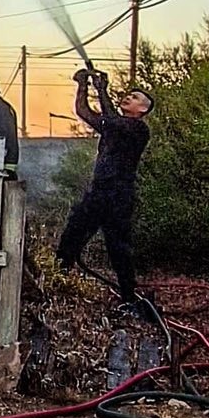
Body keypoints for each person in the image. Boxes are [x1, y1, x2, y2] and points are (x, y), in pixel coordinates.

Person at [57, 68, 153, 312]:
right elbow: (85, 113)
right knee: (73, 233)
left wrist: (101, 89)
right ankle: (58, 280)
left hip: (119, 196)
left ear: (142, 110)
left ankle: (129, 297)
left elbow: (111, 120)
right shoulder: (115, 126)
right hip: (99, 192)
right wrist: (82, 85)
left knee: (118, 247)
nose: (128, 98)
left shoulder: (138, 130)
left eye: (134, 98)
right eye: (129, 95)